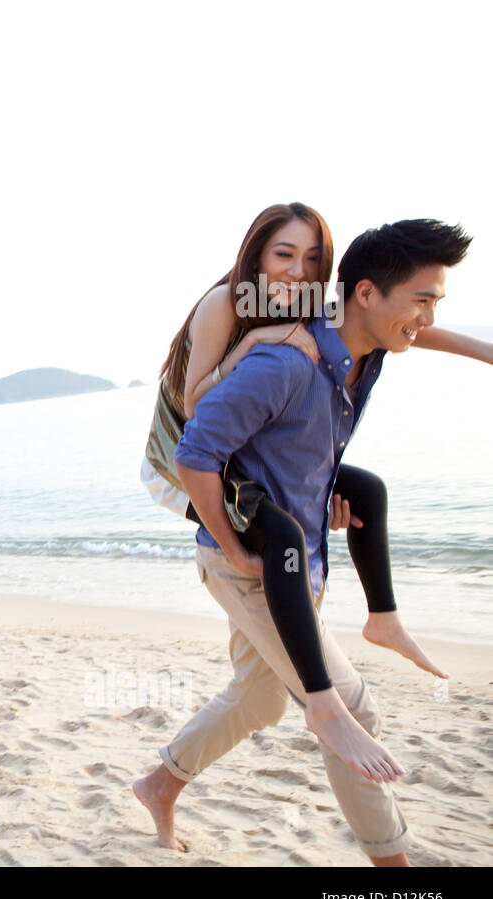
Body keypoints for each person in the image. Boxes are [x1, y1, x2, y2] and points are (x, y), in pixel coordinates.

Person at [134, 219, 473, 864]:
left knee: (258, 699)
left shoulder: (352, 339)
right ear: (367, 293)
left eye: (311, 257)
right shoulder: (265, 336)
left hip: (287, 546)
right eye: (283, 254)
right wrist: (255, 347)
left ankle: (160, 784)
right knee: (351, 710)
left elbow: (414, 332)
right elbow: (194, 443)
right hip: (244, 551)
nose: (296, 268)